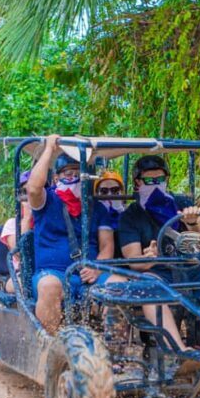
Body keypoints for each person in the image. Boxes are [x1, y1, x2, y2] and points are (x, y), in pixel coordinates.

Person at [117, 155, 200, 351]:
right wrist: (151, 257)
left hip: (193, 270)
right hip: (159, 274)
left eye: (161, 179)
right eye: (150, 180)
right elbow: (134, 261)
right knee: (147, 286)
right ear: (138, 182)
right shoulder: (131, 216)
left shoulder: (181, 202)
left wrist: (191, 222)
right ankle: (179, 350)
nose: (156, 185)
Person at [26, 135, 115, 333]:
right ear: (56, 178)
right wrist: (49, 148)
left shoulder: (97, 208)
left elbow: (107, 245)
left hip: (90, 273)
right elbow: (33, 189)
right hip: (53, 273)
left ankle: (116, 349)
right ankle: (49, 348)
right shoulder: (47, 201)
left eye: (78, 173)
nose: (73, 178)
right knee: (49, 287)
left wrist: (97, 268)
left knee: (119, 283)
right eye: (67, 174)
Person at [0, 171, 34, 293]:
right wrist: (27, 217)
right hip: (22, 273)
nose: (33, 195)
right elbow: (20, 253)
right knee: (21, 285)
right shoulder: (12, 224)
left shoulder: (50, 221)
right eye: (27, 192)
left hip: (51, 270)